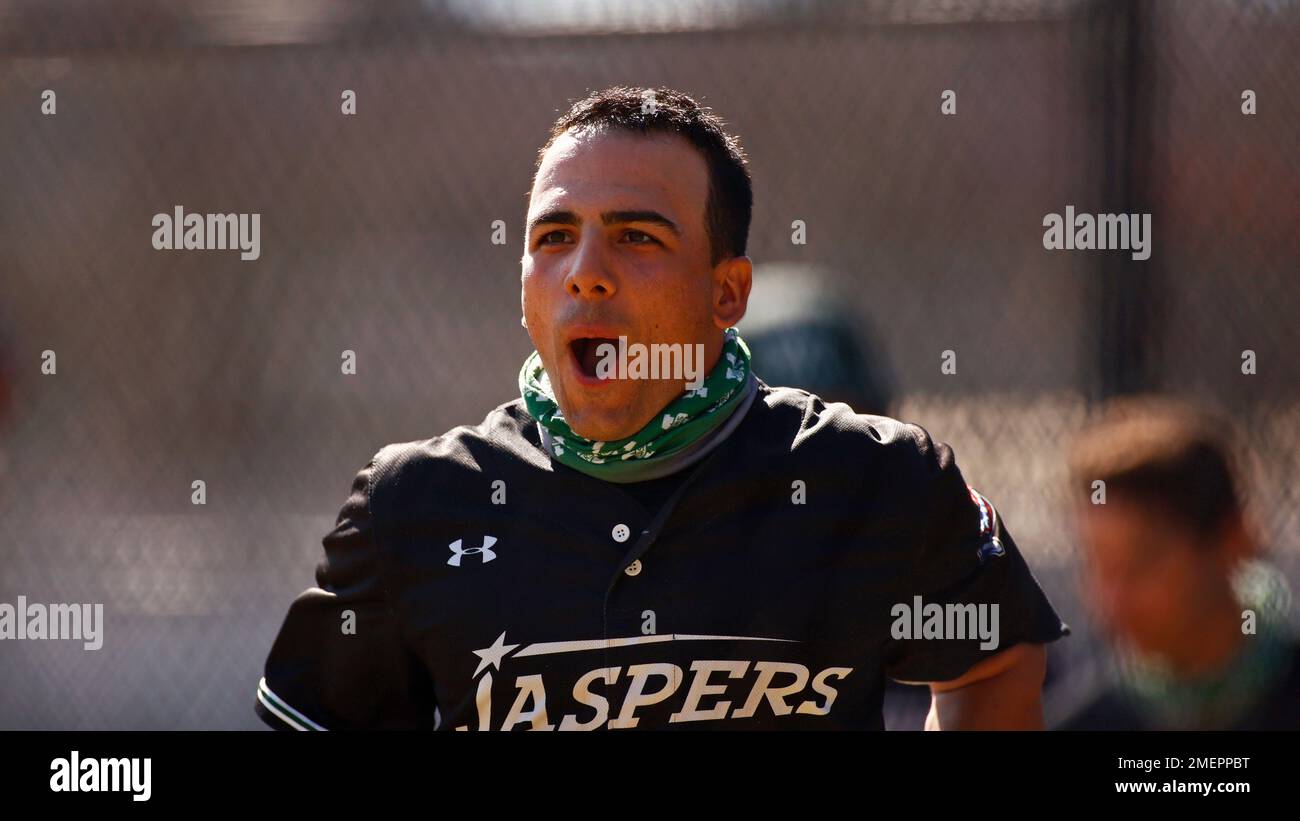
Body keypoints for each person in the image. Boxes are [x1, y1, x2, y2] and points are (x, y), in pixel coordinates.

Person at [255, 86, 1067, 731]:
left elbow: (995, 660)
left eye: (636, 237)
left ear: (727, 291)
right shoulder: (414, 503)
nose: (585, 271)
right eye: (554, 237)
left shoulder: (875, 476)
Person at [1058, 397, 1299, 730]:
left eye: (1140, 566)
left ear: (1232, 543)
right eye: (1098, 568)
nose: (1111, 601)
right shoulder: (1092, 719)